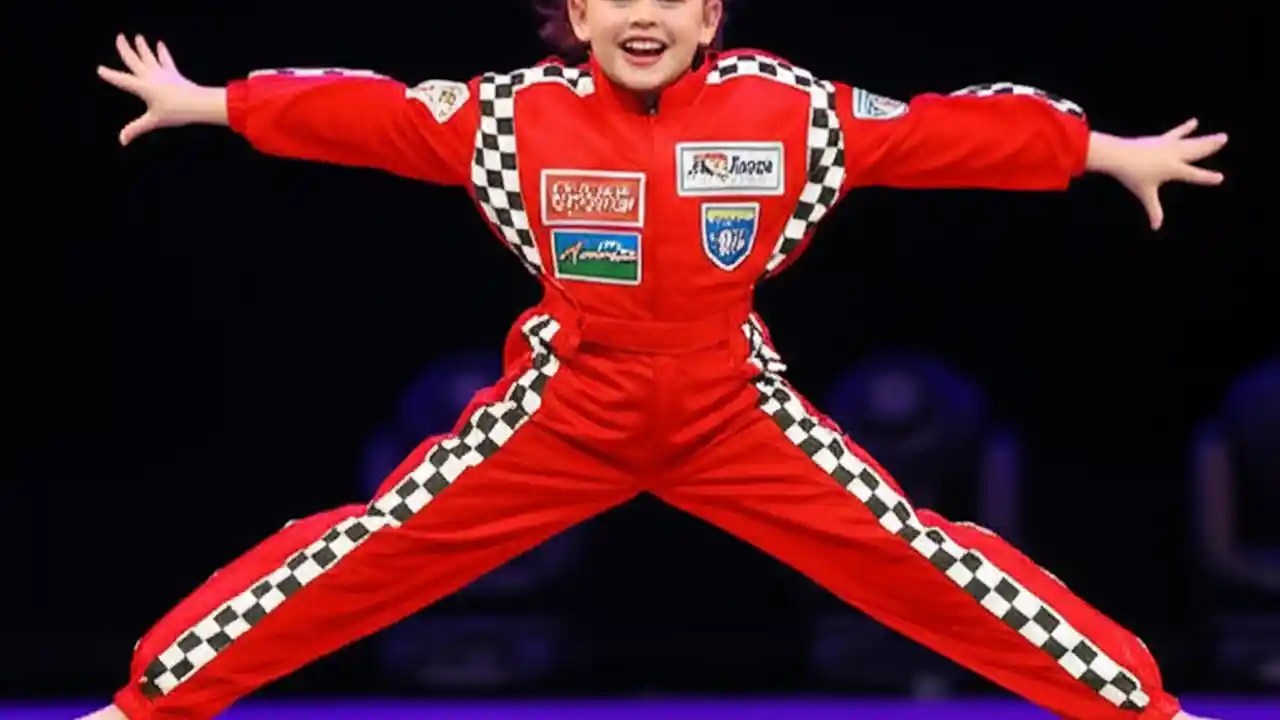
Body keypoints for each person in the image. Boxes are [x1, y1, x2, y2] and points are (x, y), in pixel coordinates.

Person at [89, 1, 1227, 718]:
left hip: (731, 407)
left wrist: (1099, 149)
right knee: (362, 553)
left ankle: (1137, 709)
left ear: (709, 14)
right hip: (563, 404)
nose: (647, 15)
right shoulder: (509, 117)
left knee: (924, 562)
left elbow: (938, 130)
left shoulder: (789, 112)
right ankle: (148, 705)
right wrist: (215, 104)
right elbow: (367, 114)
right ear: (576, 14)